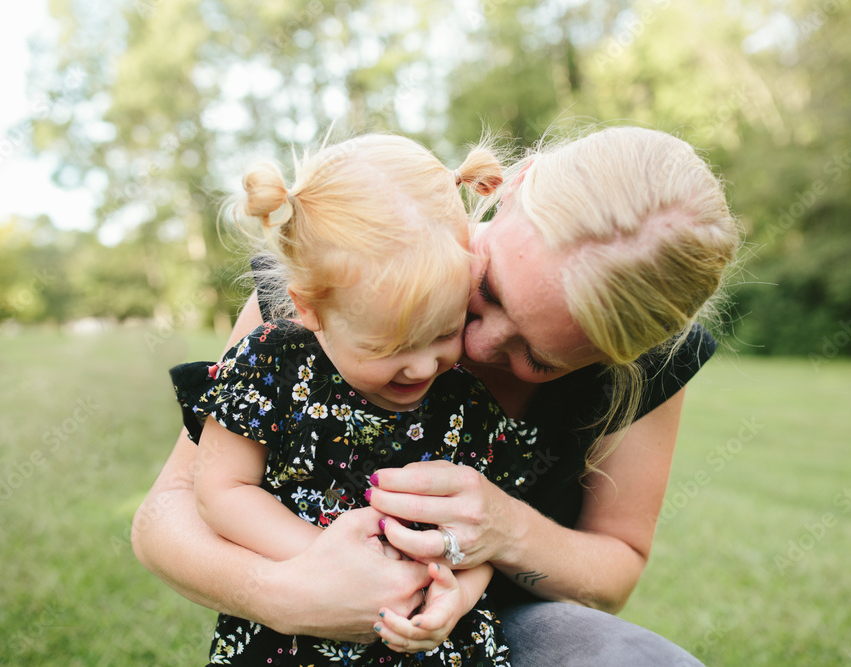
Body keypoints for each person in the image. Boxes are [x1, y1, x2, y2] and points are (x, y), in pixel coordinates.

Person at [133, 125, 741, 666]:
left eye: (540, 357)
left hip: (477, 630)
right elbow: (171, 513)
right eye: (489, 289)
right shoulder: (330, 285)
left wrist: (500, 532)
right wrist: (291, 595)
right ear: (509, 185)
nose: (469, 347)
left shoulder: (633, 366)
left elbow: (614, 573)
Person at [168, 133, 543, 665]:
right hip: (301, 632)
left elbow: (483, 535)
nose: (421, 366)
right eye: (387, 346)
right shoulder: (272, 365)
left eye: (443, 332)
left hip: (429, 643)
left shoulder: (466, 400)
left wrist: (457, 597)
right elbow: (220, 490)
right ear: (309, 308)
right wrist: (324, 559)